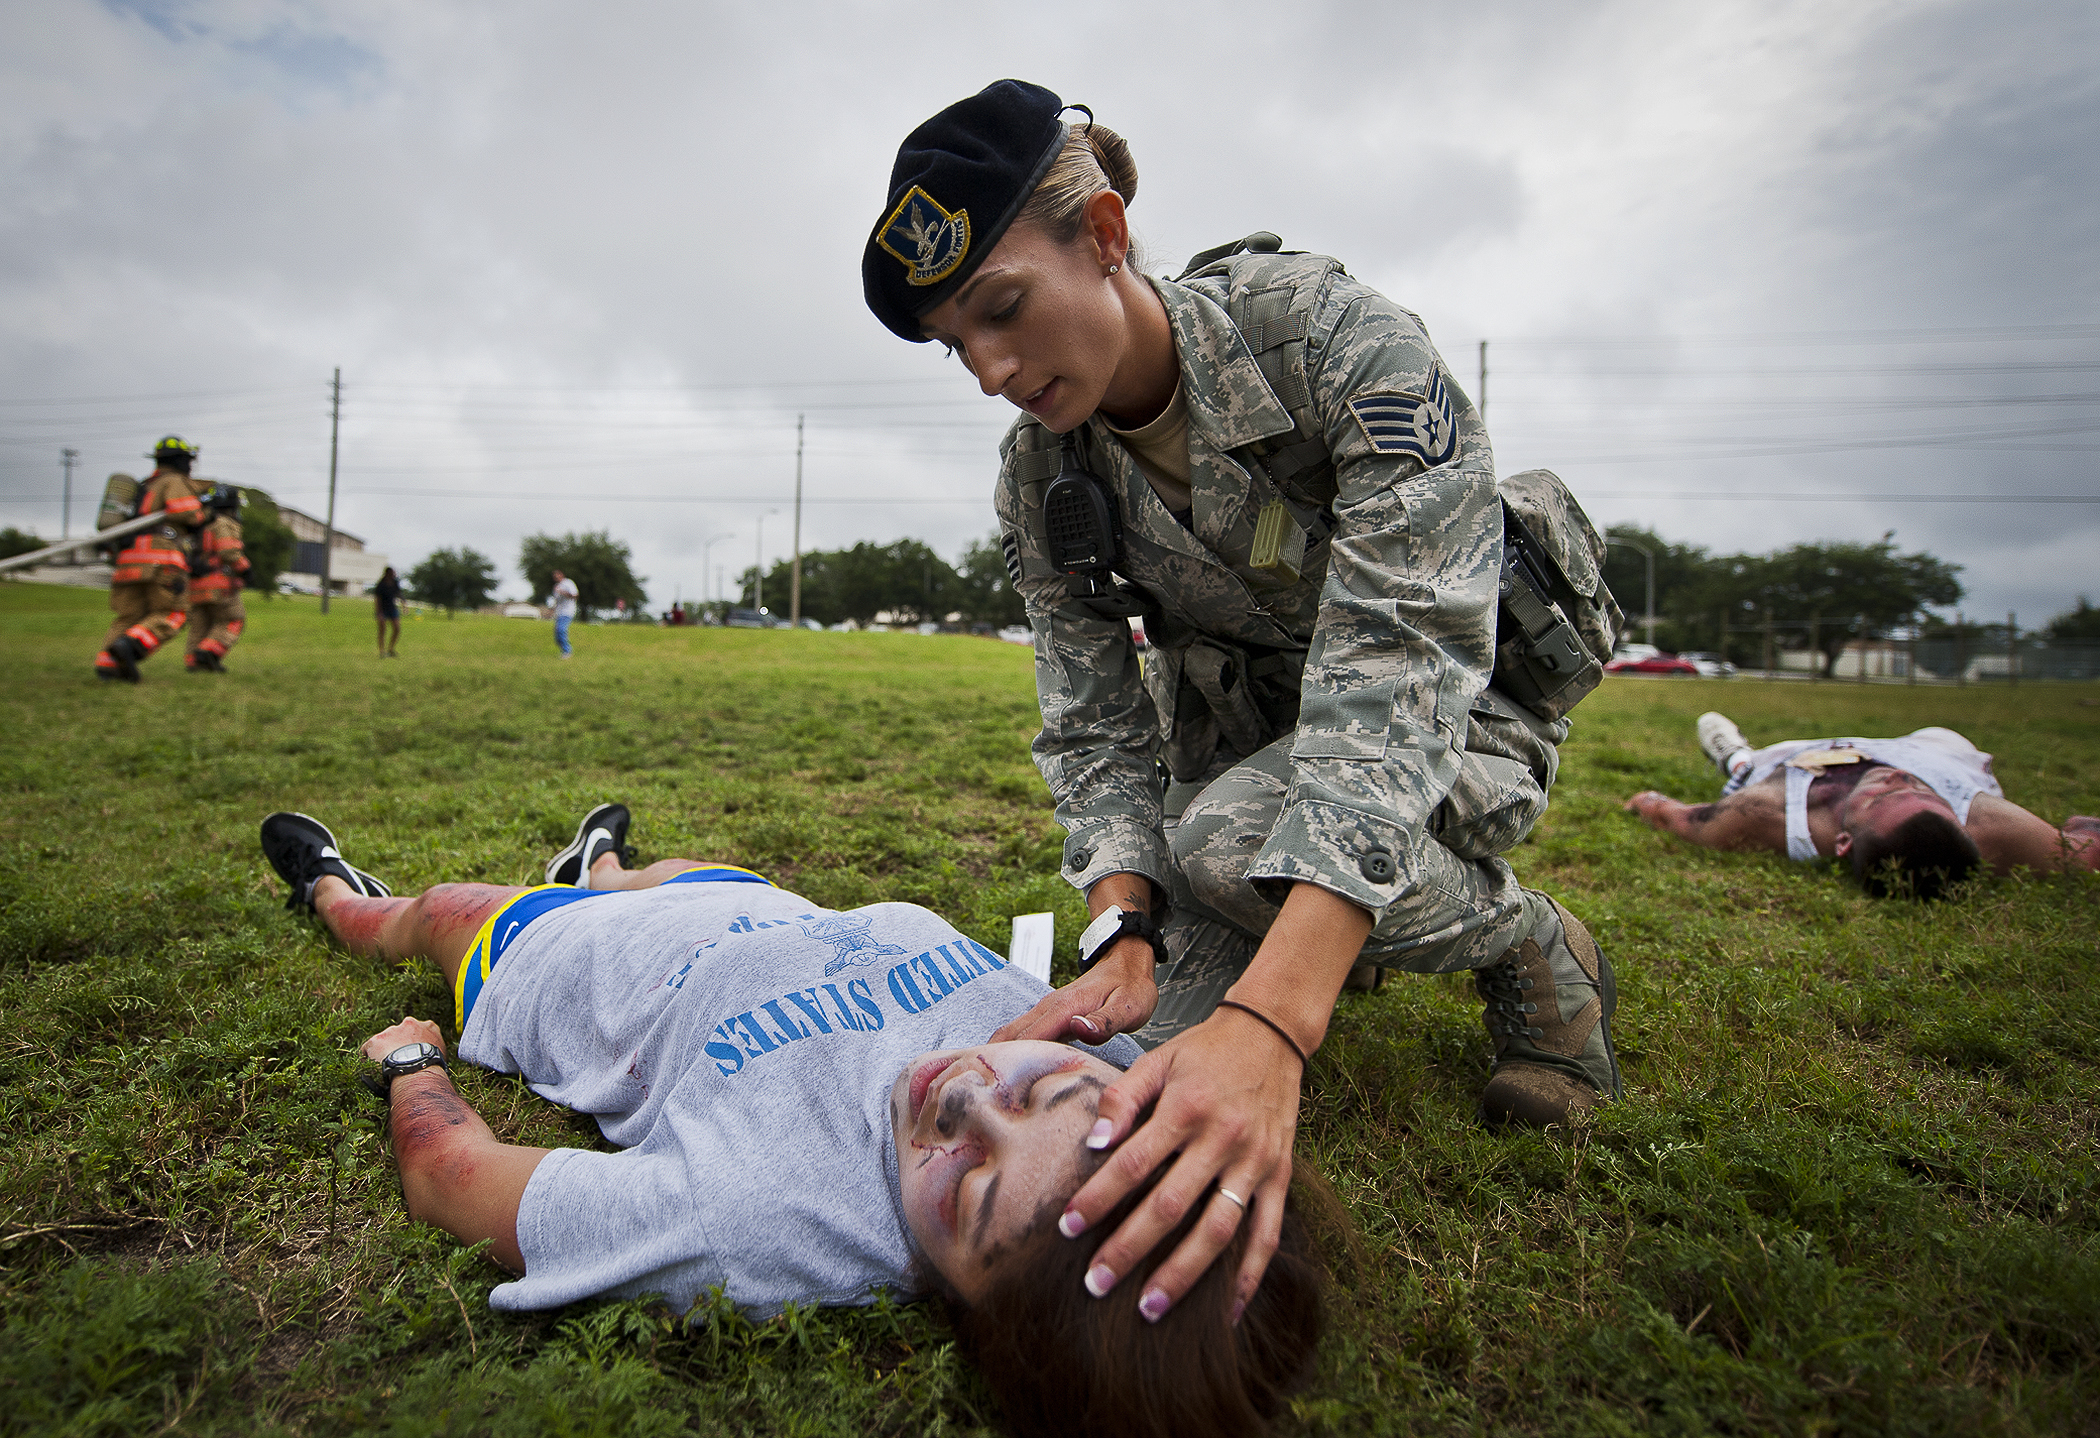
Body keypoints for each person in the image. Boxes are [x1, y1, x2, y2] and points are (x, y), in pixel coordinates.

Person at [861, 81, 1624, 1326]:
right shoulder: (1044, 474)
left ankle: (1528, 938)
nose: (991, 370)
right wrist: (1122, 926)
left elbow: (1401, 674)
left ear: (1105, 236)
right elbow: (1095, 721)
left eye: (1001, 309)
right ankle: (1310, 916)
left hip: (1456, 727)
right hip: (1249, 764)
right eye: (958, 345)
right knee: (1148, 1061)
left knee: (1229, 849)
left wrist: (1278, 1018)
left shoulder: (1326, 341)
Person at [258, 806, 1328, 1438]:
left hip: (549, 955)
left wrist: (411, 1068)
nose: (960, 1098)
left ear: (964, 1304)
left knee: (434, 909)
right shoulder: (1127, 1062)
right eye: (1039, 1091)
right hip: (753, 902)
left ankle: (335, 894)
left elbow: (452, 1178)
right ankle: (605, 866)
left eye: (969, 1186)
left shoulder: (754, 1221)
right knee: (667, 872)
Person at [1623, 712, 2100, 893]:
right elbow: (2086, 848)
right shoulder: (1992, 826)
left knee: (1746, 770)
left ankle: (1733, 755)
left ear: (1844, 841)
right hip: (1933, 750)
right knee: (1945, 735)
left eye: (1884, 797)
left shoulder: (1766, 815)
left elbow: (1673, 816)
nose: (1897, 778)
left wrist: (1646, 800)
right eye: (1920, 793)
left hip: (1795, 760)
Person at [94, 435, 218, 683]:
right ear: (182, 460)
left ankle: (108, 664)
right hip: (161, 557)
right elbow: (187, 512)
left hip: (129, 558)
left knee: (130, 615)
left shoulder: (143, 487)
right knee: (173, 613)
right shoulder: (174, 481)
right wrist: (205, 513)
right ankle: (130, 646)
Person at [184, 483, 250, 673]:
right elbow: (228, 551)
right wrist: (245, 568)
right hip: (218, 583)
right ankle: (207, 652)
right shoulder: (223, 523)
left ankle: (193, 661)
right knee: (234, 619)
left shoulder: (199, 525)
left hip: (195, 584)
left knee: (200, 625)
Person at [373, 566, 402, 657]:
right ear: (387, 573)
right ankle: (382, 651)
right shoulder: (381, 584)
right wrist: (379, 613)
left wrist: (404, 603)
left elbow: (398, 593)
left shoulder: (395, 583)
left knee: (397, 628)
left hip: (392, 608)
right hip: (382, 609)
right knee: (382, 630)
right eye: (392, 573)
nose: (394, 574)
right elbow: (377, 599)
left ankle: (391, 649)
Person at [550, 569, 579, 657]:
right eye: (554, 576)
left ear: (562, 575)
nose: (556, 577)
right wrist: (552, 610)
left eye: (557, 575)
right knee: (557, 635)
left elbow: (575, 596)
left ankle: (567, 651)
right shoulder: (556, 587)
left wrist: (563, 593)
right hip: (559, 612)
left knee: (561, 630)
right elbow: (556, 601)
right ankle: (563, 647)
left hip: (568, 611)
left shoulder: (568, 583)